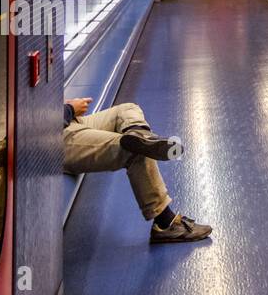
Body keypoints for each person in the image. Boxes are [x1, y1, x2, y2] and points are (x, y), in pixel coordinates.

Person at [63, 97, 213, 243]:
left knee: (128, 109)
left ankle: (138, 133)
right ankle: (165, 223)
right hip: (54, 138)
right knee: (136, 150)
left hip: (65, 121)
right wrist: (69, 109)